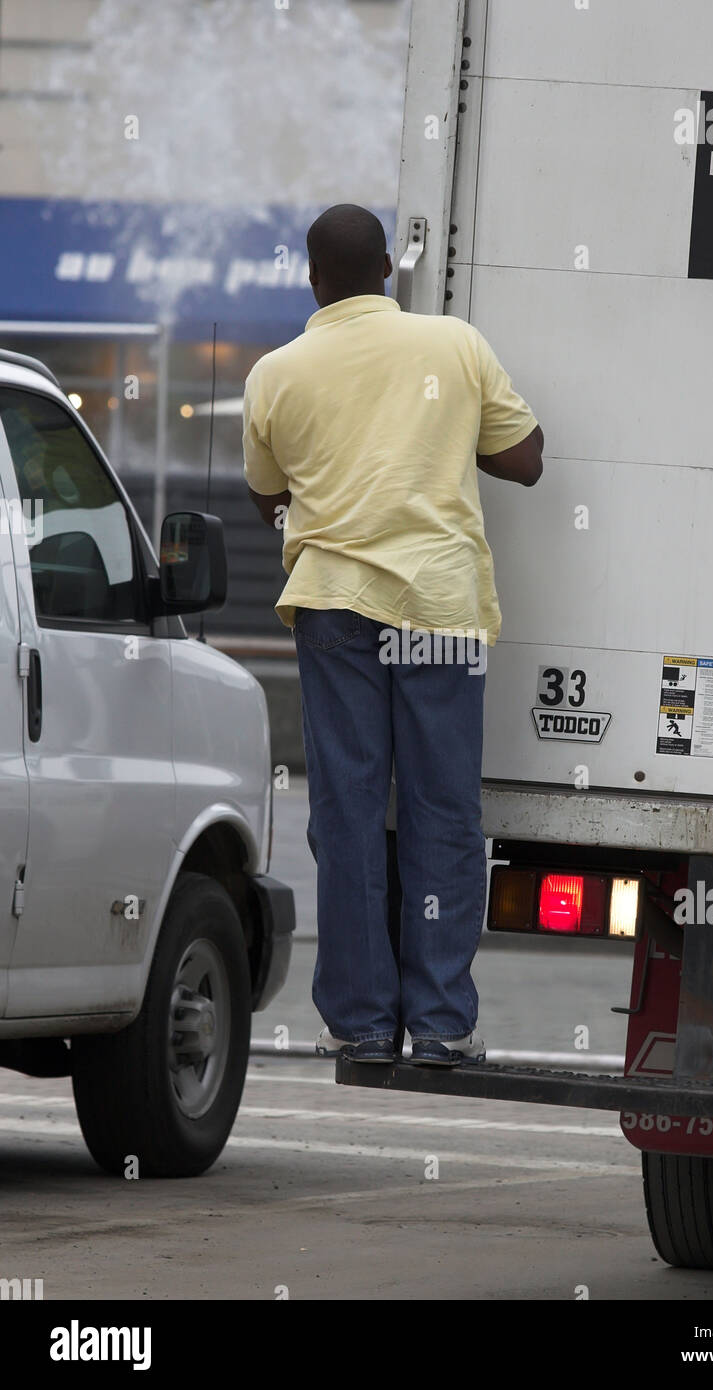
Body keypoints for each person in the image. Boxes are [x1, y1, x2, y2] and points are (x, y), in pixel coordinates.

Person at [243, 204, 543, 1067]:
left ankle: (364, 1024)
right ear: (387, 267)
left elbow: (267, 496)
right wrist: (447, 439)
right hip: (440, 612)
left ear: (312, 277)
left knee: (345, 811)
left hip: (335, 609)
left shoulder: (277, 373)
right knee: (441, 811)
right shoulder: (454, 344)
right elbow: (525, 459)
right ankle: (444, 1026)